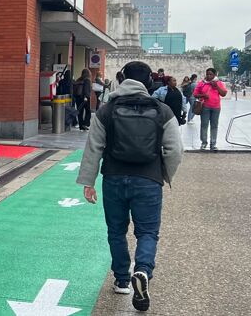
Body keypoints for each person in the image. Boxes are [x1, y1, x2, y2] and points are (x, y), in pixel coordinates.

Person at [77, 61, 182, 312]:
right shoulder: (162, 110)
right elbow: (174, 149)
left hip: (114, 177)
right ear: (148, 82)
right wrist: (164, 173)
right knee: (147, 232)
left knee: (116, 231)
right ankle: (143, 270)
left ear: (122, 79)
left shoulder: (107, 109)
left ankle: (122, 279)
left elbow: (94, 147)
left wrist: (88, 182)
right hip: (148, 179)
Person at [193, 68, 228, 151]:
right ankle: (204, 143)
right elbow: (195, 94)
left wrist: (216, 87)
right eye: (207, 74)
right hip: (205, 106)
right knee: (204, 125)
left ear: (214, 75)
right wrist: (203, 95)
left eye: (211, 74)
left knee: (214, 126)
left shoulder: (219, 83)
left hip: (216, 107)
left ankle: (213, 143)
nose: (209, 76)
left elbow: (223, 94)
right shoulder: (202, 83)